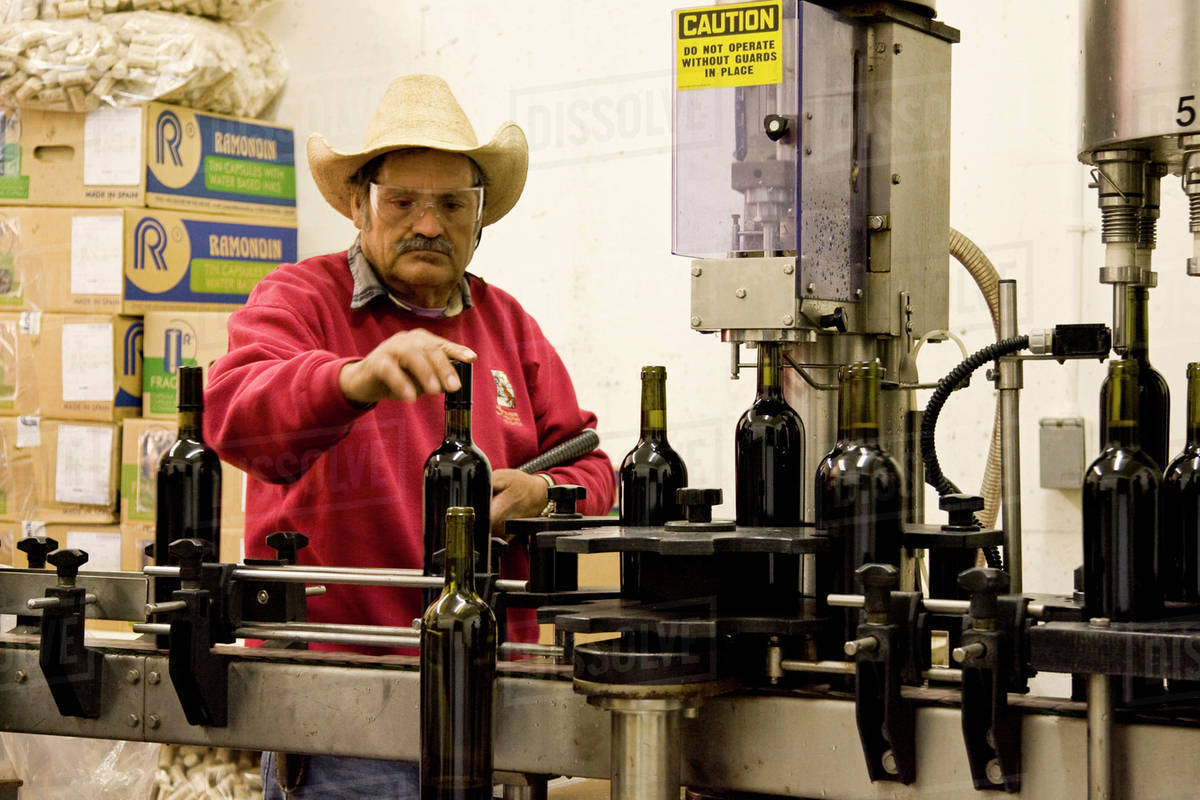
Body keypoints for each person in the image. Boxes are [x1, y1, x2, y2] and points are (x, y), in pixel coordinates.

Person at [204, 74, 615, 799]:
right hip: (347, 715)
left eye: (451, 204)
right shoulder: (302, 300)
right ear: (360, 208)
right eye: (402, 202)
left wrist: (541, 492)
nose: (428, 224)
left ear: (479, 220)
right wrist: (352, 380)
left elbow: (593, 465)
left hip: (496, 710)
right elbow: (235, 414)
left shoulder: (508, 325)